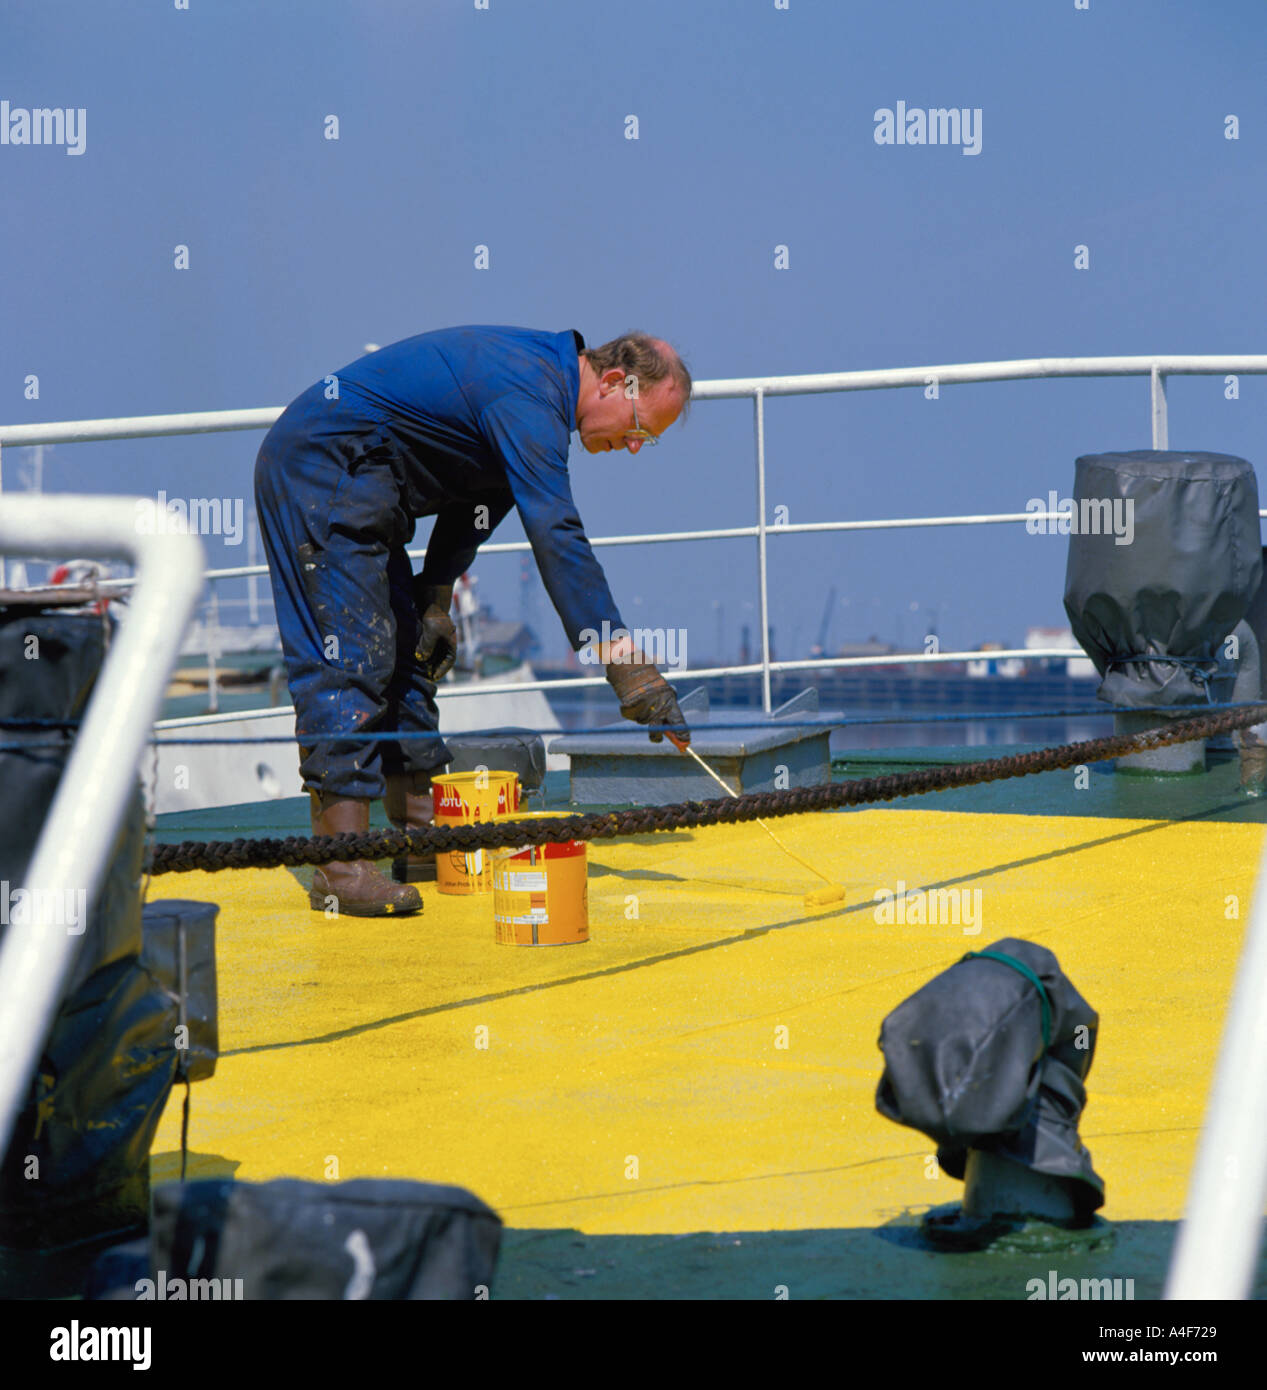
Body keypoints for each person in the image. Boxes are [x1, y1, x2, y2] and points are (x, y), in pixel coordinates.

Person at [254, 326, 692, 918]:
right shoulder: (528, 396)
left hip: (365, 482)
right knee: (351, 656)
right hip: (322, 466)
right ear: (615, 381)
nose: (634, 446)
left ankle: (420, 840)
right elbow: (557, 536)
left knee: (407, 651)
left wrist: (434, 596)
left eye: (649, 441)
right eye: (640, 428)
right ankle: (340, 865)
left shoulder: (538, 402)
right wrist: (628, 668)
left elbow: (473, 508)